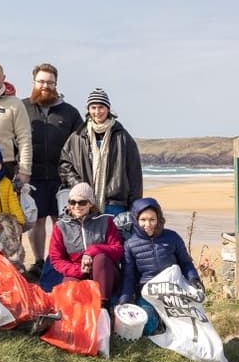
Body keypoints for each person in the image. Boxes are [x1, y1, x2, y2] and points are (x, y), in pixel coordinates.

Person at [22, 63, 83, 280]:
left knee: (61, 221)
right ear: (34, 82)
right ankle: (38, 261)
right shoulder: (23, 107)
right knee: (36, 220)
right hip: (32, 176)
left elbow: (81, 144)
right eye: (41, 81)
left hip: (62, 178)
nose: (45, 86)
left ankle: (58, 261)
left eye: (50, 82)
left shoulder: (70, 112)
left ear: (56, 84)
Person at [117, 197, 203, 332]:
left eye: (152, 219)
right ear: (135, 220)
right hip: (148, 291)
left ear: (159, 219)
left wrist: (194, 279)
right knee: (148, 327)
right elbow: (129, 276)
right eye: (143, 220)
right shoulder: (130, 245)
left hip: (174, 287)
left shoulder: (172, 237)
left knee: (189, 325)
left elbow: (186, 262)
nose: (148, 224)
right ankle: (159, 320)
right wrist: (125, 300)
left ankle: (167, 321)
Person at [59, 88, 143, 216]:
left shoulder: (122, 137)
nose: (97, 112)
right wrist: (79, 186)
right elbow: (65, 165)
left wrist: (135, 207)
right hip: (84, 203)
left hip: (115, 204)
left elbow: (134, 174)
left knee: (113, 236)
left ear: (108, 109)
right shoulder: (78, 136)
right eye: (93, 107)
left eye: (101, 107)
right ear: (88, 110)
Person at [46, 183, 124, 307]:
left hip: (105, 274)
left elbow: (118, 249)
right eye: (72, 202)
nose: (76, 206)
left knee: (101, 258)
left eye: (82, 202)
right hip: (77, 272)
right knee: (69, 292)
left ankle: (103, 306)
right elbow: (56, 259)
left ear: (91, 203)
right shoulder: (60, 226)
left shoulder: (106, 221)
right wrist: (78, 271)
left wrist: (93, 251)